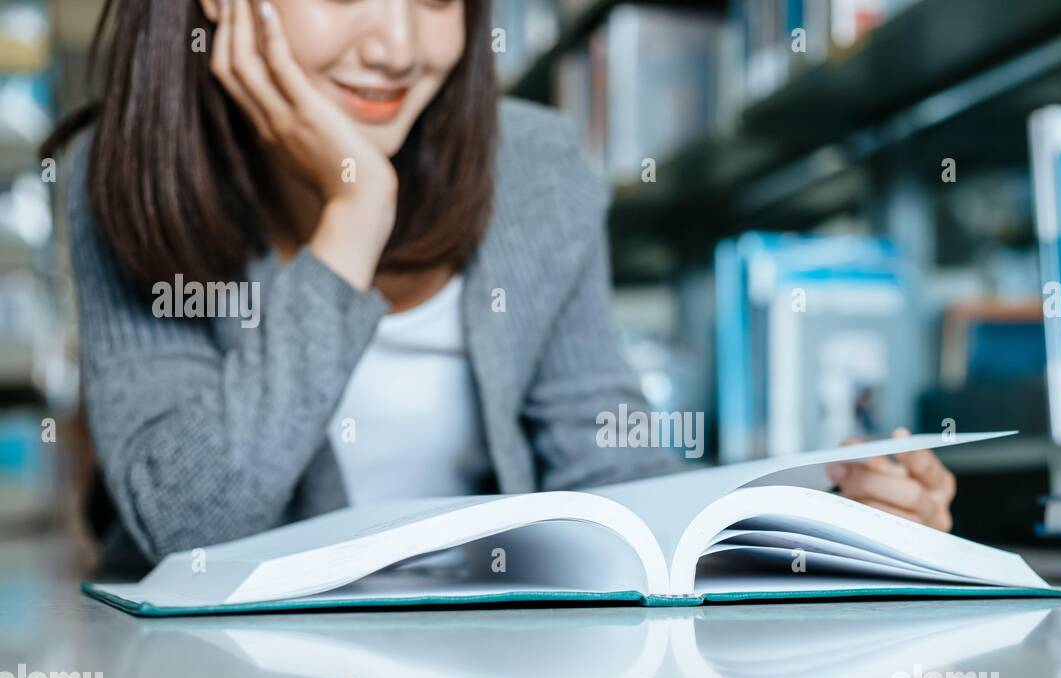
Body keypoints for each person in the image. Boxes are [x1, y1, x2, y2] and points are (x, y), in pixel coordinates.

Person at [46, 0, 955, 571]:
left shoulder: (537, 165)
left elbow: (611, 468)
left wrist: (826, 526)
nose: (397, 44)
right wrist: (352, 218)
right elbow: (190, 527)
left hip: (488, 662)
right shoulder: (120, 175)